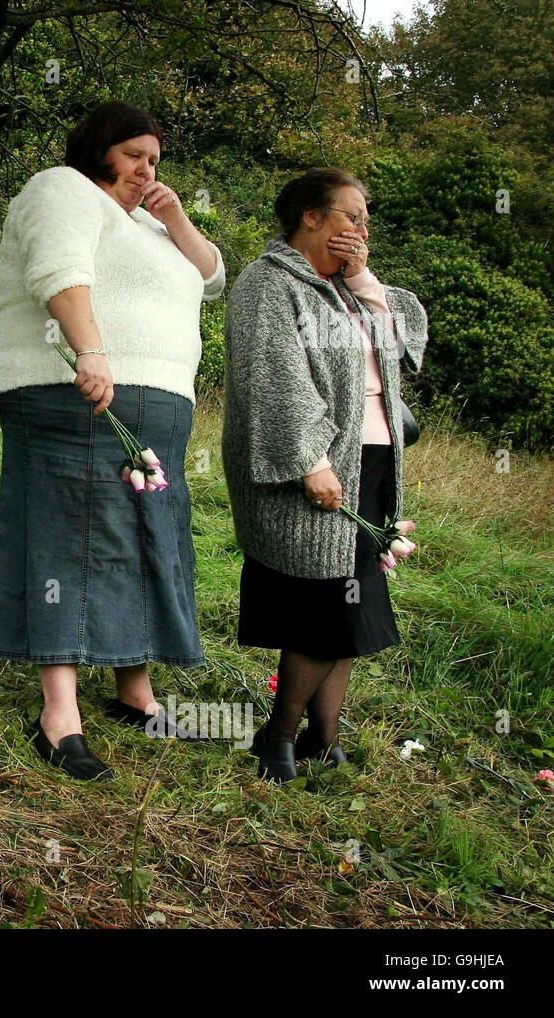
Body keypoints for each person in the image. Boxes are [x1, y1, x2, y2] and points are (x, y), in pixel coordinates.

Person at [0, 101, 226, 781]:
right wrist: (90, 352)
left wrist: (174, 215)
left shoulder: (151, 224)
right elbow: (59, 272)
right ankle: (59, 717)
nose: (147, 167)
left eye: (155, 157)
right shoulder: (61, 189)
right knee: (68, 539)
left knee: (146, 541)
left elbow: (213, 278)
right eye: (134, 153)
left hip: (158, 405)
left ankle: (135, 696)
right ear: (98, 150)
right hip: (72, 392)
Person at [221, 168, 429, 782]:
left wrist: (363, 277)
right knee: (325, 609)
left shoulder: (347, 289)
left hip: (374, 460)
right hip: (315, 463)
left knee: (353, 606)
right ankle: (278, 736)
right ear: (311, 216)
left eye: (366, 219)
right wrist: (311, 460)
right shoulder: (269, 283)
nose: (362, 229)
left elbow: (404, 345)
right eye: (351, 216)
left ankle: (321, 738)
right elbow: (274, 376)